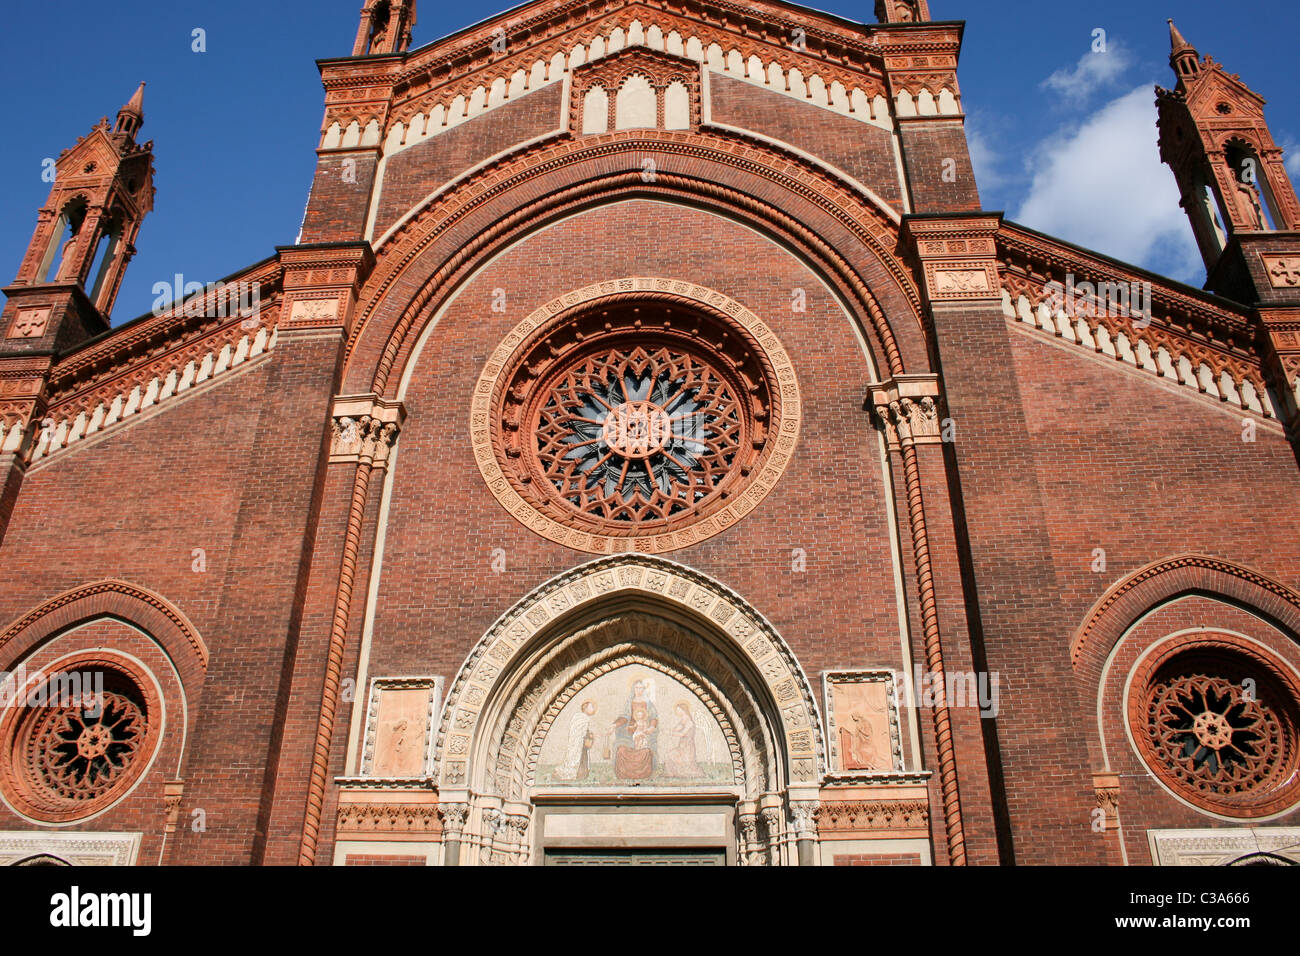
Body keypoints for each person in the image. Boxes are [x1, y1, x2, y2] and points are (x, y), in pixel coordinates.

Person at [554, 700, 596, 781]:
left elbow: (583, 730)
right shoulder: (582, 718)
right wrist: (587, 735)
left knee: (582, 758)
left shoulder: (581, 718)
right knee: (576, 758)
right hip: (578, 743)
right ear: (585, 708)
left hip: (581, 742)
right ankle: (573, 774)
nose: (593, 709)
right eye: (591, 707)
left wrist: (588, 734)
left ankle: (582, 774)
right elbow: (578, 731)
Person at [664, 701, 703, 778]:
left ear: (683, 710)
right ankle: (671, 773)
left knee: (680, 760)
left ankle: (679, 772)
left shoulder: (689, 722)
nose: (677, 711)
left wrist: (670, 733)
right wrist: (668, 730)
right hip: (681, 745)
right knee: (669, 755)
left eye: (678, 710)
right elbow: (676, 729)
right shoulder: (683, 720)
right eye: (677, 710)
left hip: (687, 747)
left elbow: (682, 734)